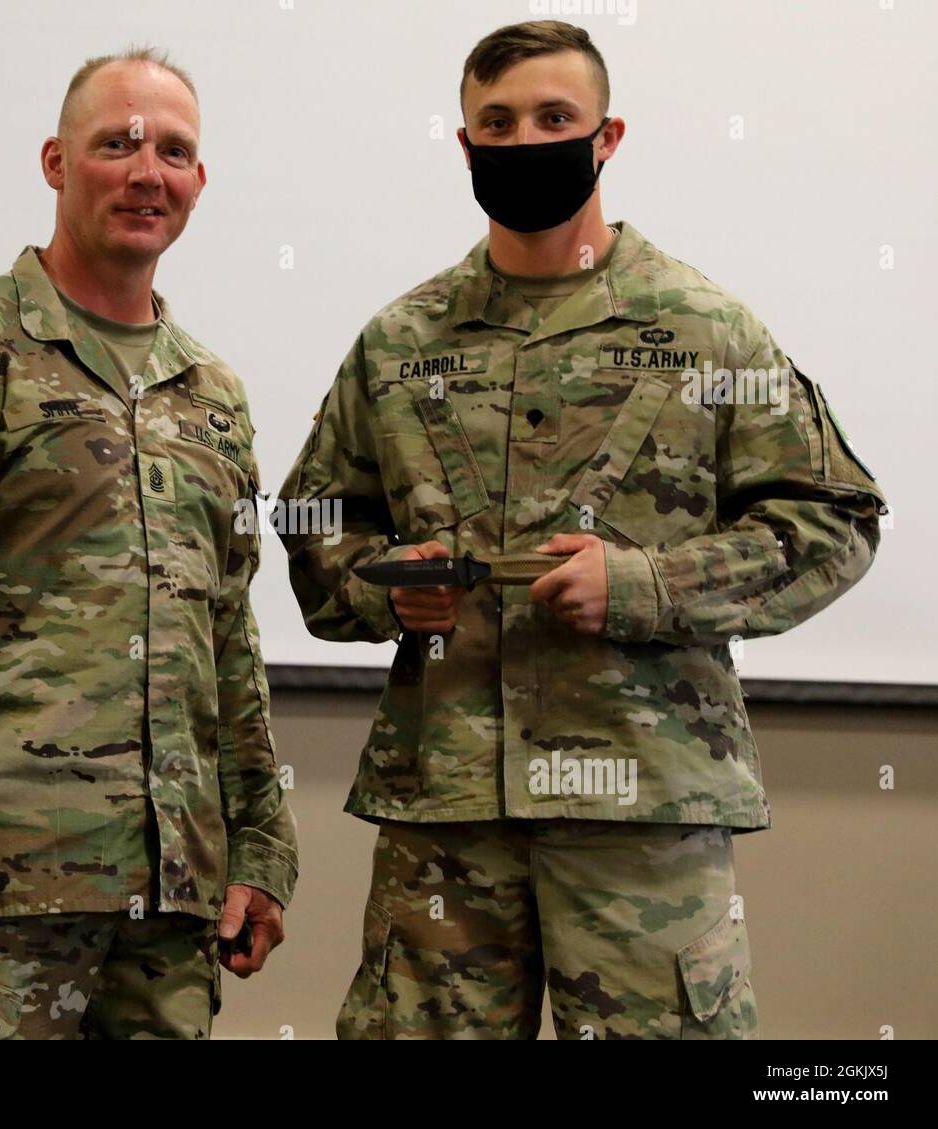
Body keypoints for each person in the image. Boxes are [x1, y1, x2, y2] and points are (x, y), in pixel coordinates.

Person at [277, 20, 885, 1039]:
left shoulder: (703, 330)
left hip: (639, 809)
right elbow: (310, 516)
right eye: (498, 123)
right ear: (465, 145)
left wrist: (648, 587)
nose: (525, 143)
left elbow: (836, 519)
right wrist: (375, 582)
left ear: (606, 137)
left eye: (554, 118)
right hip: (448, 814)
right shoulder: (400, 340)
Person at [0, 46, 296, 1040]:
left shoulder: (212, 394)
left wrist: (258, 847)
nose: (144, 171)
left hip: (171, 908)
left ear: (198, 181)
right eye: (115, 143)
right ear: (55, 162)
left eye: (172, 150)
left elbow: (228, 640)